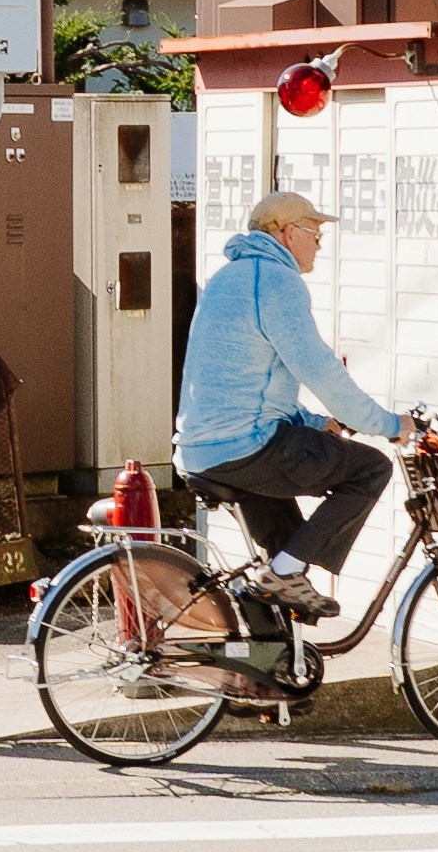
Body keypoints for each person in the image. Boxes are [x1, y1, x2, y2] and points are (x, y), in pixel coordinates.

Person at [174, 187, 410, 597]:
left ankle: (275, 642)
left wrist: (318, 423)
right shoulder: (277, 281)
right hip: (247, 446)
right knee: (371, 468)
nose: (319, 244)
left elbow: (252, 383)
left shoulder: (229, 278)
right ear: (285, 233)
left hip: (203, 448)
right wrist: (387, 425)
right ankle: (281, 574)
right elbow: (319, 369)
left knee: (287, 550)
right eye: (313, 232)